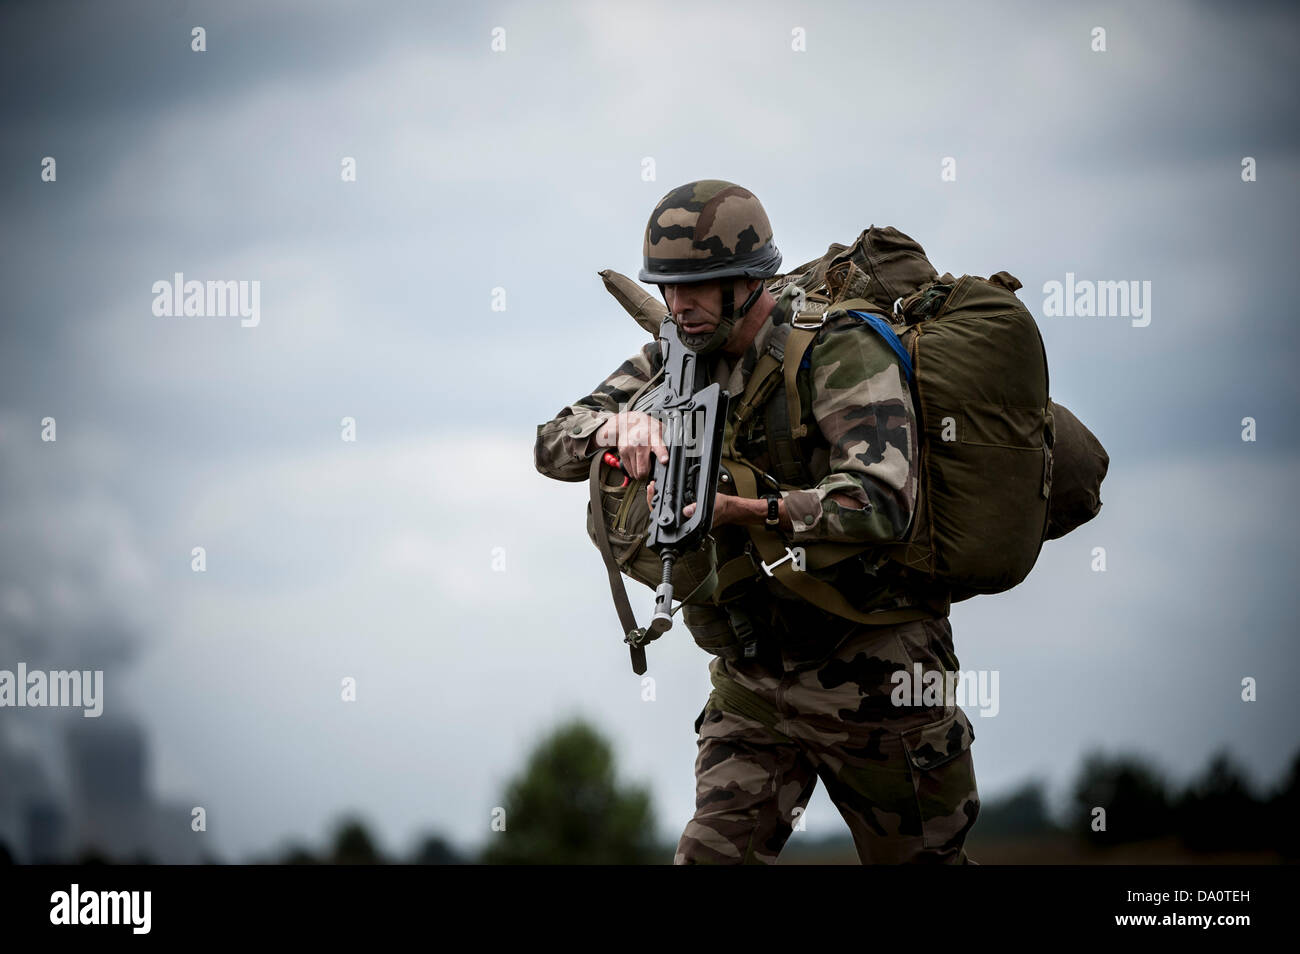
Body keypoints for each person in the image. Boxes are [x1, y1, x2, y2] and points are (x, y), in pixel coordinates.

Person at [533, 180, 979, 864]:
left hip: (878, 672)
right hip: (754, 681)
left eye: (699, 287)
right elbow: (551, 442)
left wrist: (744, 510)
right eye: (670, 289)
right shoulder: (676, 353)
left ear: (748, 280)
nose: (680, 306)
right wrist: (615, 427)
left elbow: (883, 501)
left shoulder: (836, 351)